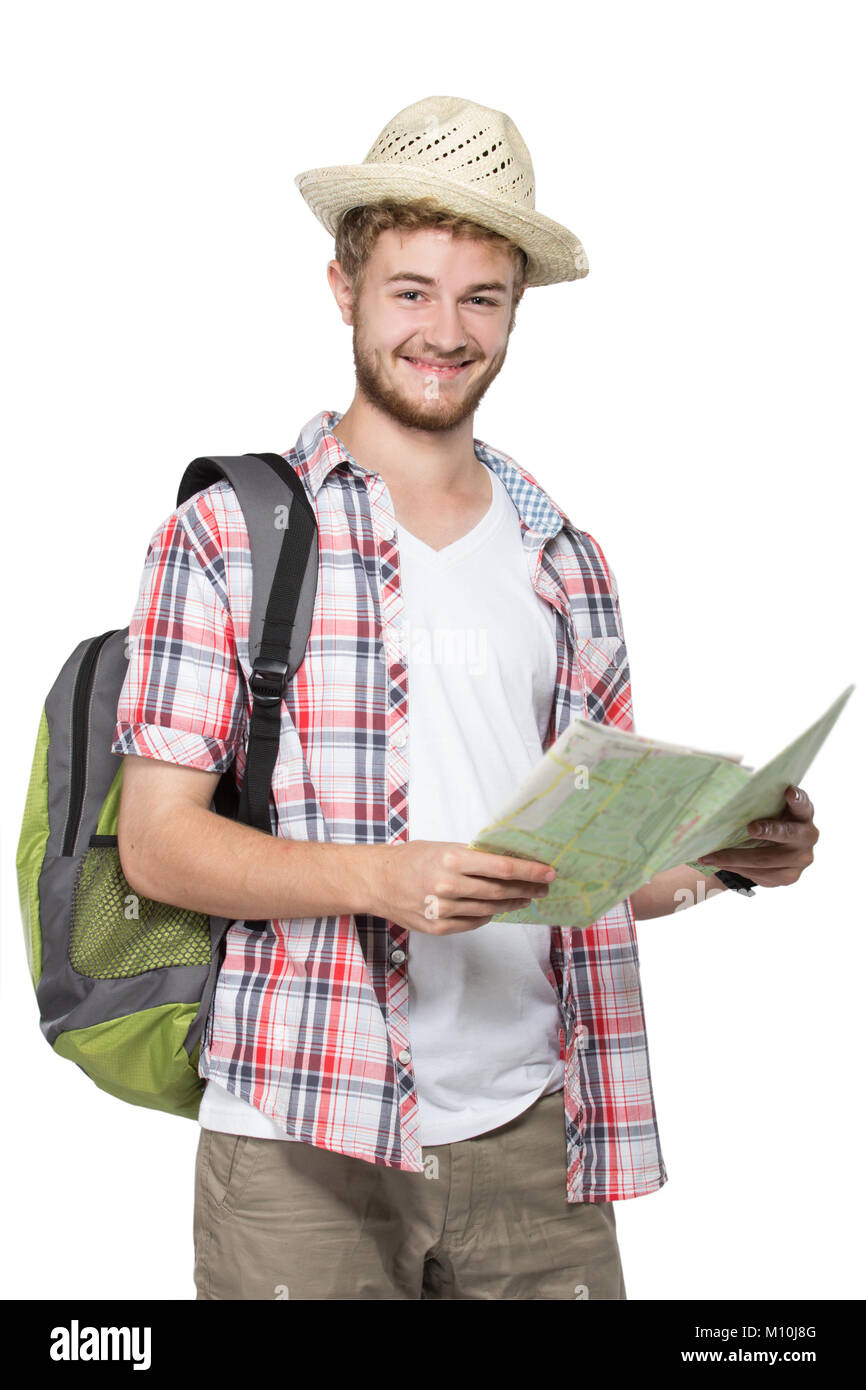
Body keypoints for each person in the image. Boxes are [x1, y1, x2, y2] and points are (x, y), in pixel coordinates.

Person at [111, 95, 820, 1301]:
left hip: (538, 1133)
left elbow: (587, 879)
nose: (444, 331)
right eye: (410, 290)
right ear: (343, 288)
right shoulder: (229, 532)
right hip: (301, 1128)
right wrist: (383, 877)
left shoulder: (567, 559)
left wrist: (723, 856)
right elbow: (157, 843)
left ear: (515, 310)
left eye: (479, 297)